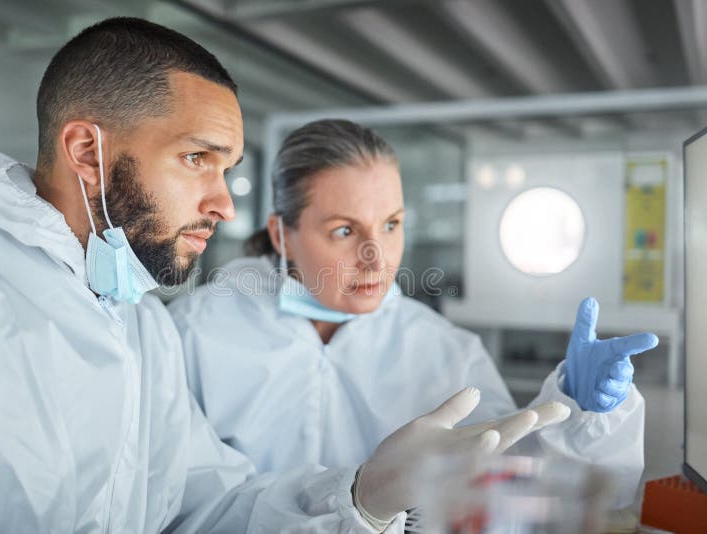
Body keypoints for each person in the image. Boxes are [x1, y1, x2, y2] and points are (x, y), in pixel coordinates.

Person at [0, 18, 571, 533]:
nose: (225, 204)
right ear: (87, 151)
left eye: (227, 168)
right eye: (197, 158)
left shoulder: (136, 325)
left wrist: (364, 497)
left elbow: (208, 507)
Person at [168, 119, 659, 509]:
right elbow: (180, 501)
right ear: (281, 235)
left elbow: (516, 486)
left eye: (391, 225)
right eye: (343, 231)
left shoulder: (445, 351)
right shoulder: (198, 332)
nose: (376, 258)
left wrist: (584, 415)